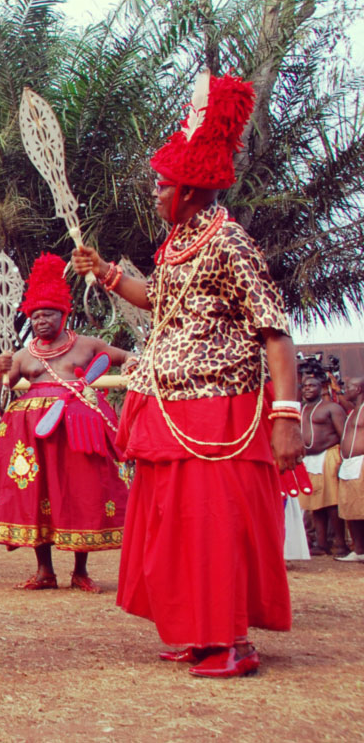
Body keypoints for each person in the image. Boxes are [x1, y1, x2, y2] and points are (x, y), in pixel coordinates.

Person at [72, 72, 301, 678]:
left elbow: (275, 330)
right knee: (176, 523)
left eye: (162, 184)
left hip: (220, 407)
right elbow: (163, 301)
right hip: (170, 400)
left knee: (212, 524)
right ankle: (197, 630)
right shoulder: (181, 240)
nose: (154, 191)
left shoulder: (231, 243)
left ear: (192, 190)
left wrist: (287, 416)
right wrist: (109, 274)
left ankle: (230, 641)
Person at [0, 253, 133, 593]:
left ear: (63, 314)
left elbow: (125, 356)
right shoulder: (21, 357)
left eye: (48, 314)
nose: (40, 321)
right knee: (40, 495)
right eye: (35, 316)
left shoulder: (87, 346)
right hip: (31, 436)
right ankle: (44, 571)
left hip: (78, 431)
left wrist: (131, 365)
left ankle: (80, 571)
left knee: (81, 491)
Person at [298, 371, 348, 556]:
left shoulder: (331, 408)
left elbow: (343, 435)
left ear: (321, 388)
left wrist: (343, 459)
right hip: (308, 459)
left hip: (329, 454)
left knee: (332, 502)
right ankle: (321, 544)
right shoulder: (301, 409)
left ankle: (340, 544)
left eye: (312, 386)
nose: (307, 389)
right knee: (314, 502)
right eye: (304, 386)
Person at [335, 376, 364, 562]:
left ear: (359, 389)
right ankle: (359, 550)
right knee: (350, 508)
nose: (346, 389)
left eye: (349, 386)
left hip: (362, 463)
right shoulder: (352, 411)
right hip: (348, 464)